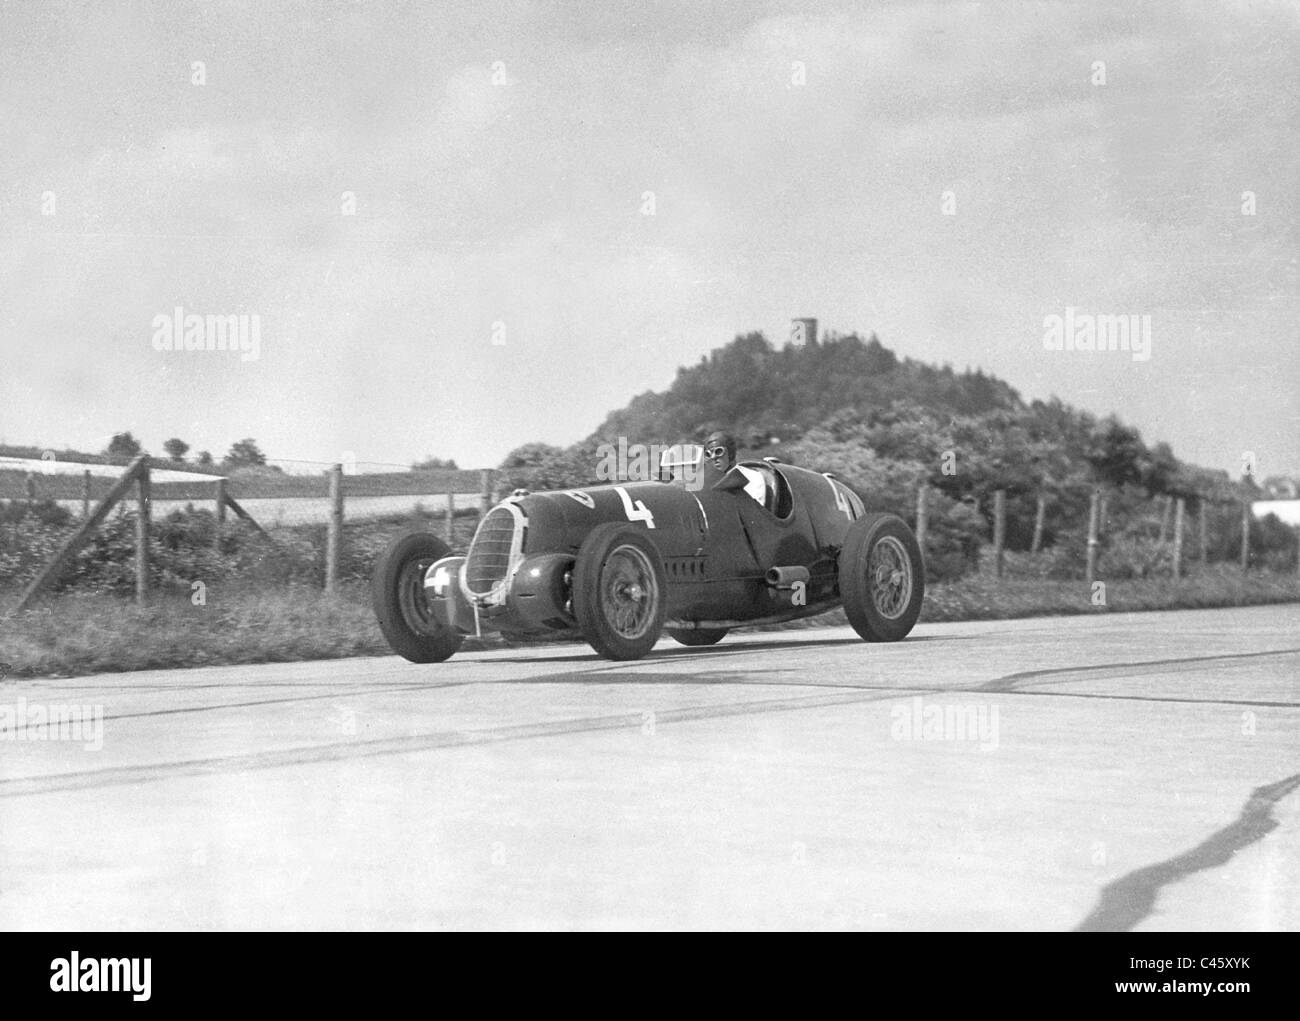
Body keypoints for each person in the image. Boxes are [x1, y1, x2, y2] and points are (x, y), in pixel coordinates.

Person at [703, 431, 767, 506]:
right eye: (709, 454)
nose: (713, 457)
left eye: (719, 451)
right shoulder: (707, 481)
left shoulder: (752, 477)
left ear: (731, 453)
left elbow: (754, 512)